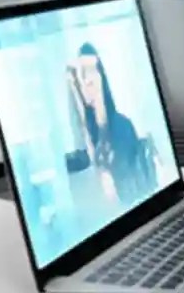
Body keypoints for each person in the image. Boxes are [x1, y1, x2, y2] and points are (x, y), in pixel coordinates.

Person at [65, 43, 155, 205]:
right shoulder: (84, 147)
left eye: (92, 70)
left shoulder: (122, 126)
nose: (88, 80)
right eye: (81, 74)